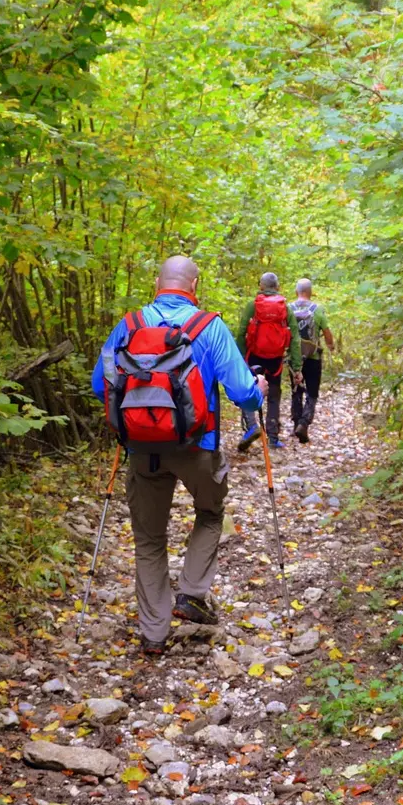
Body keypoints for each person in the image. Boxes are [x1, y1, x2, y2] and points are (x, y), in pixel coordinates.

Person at [94, 256, 266, 657]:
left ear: (157, 283)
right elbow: (242, 393)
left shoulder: (129, 325)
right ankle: (191, 593)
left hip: (141, 451)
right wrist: (258, 390)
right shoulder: (209, 327)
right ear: (194, 285)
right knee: (210, 513)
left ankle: (154, 634)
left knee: (149, 539)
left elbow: (99, 385)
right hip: (196, 447)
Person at [234, 272, 293, 451]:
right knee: (274, 396)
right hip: (275, 359)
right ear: (278, 287)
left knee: (248, 389)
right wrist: (296, 366)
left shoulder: (253, 305)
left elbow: (241, 331)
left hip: (254, 356)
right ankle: (273, 437)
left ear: (261, 286)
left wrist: (239, 357)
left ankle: (252, 426)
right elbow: (295, 337)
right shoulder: (285, 308)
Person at [289, 278, 337, 443]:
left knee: (296, 389)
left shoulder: (289, 308)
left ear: (297, 291)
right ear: (310, 292)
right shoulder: (317, 309)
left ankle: (296, 423)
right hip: (313, 356)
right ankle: (304, 423)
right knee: (312, 391)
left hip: (294, 357)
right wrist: (330, 345)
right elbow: (326, 331)